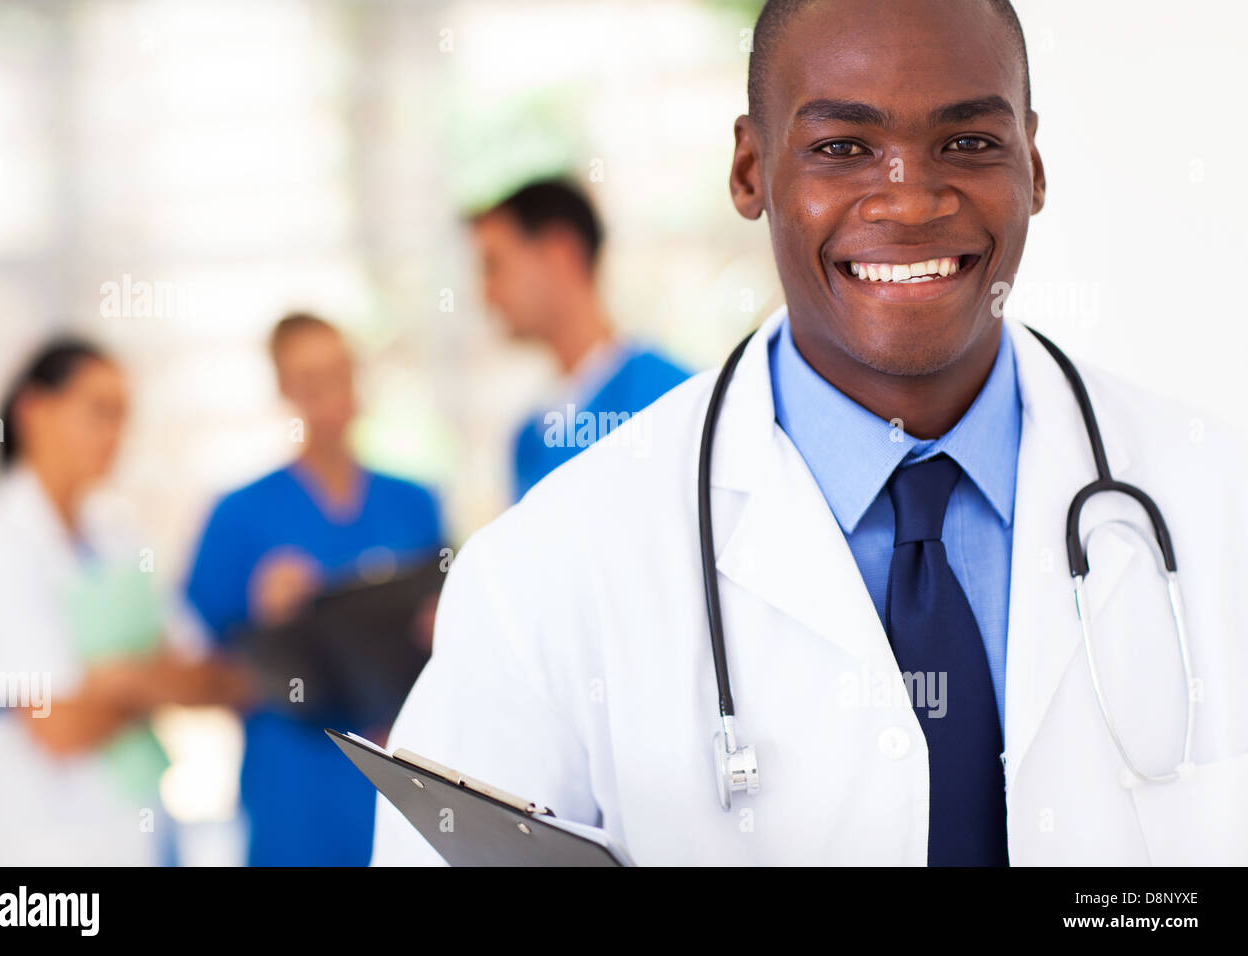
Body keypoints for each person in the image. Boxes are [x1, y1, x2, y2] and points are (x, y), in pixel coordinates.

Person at [372, 0, 1248, 866]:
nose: (910, 200)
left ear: (1035, 163)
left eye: (969, 142)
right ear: (751, 171)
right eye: (842, 147)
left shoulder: (1216, 496)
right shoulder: (546, 568)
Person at [0, 338, 247, 865]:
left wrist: (115, 681)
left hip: (145, 836)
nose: (115, 435)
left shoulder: (117, 531)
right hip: (48, 859)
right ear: (32, 412)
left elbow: (210, 679)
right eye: (99, 412)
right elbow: (62, 726)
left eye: (123, 416)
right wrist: (150, 678)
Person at [185, 312, 444, 866]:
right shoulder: (238, 518)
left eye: (340, 371)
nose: (331, 393)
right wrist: (267, 623)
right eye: (309, 378)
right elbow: (198, 676)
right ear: (284, 388)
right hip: (294, 802)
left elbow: (451, 647)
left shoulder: (415, 505)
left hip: (401, 791)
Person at [469, 178, 691, 500]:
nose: (486, 295)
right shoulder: (528, 442)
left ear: (560, 254)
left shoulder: (674, 399)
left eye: (494, 266)